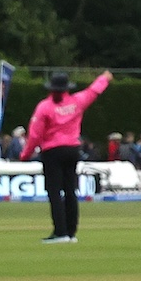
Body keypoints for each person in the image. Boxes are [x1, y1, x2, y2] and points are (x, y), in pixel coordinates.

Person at [22, 69, 112, 243]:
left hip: (52, 151)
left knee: (54, 192)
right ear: (66, 88)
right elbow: (93, 91)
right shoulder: (77, 101)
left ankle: (60, 232)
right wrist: (104, 78)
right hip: (72, 150)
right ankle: (71, 232)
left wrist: (25, 154)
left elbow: (35, 135)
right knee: (71, 190)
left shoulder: (45, 107)